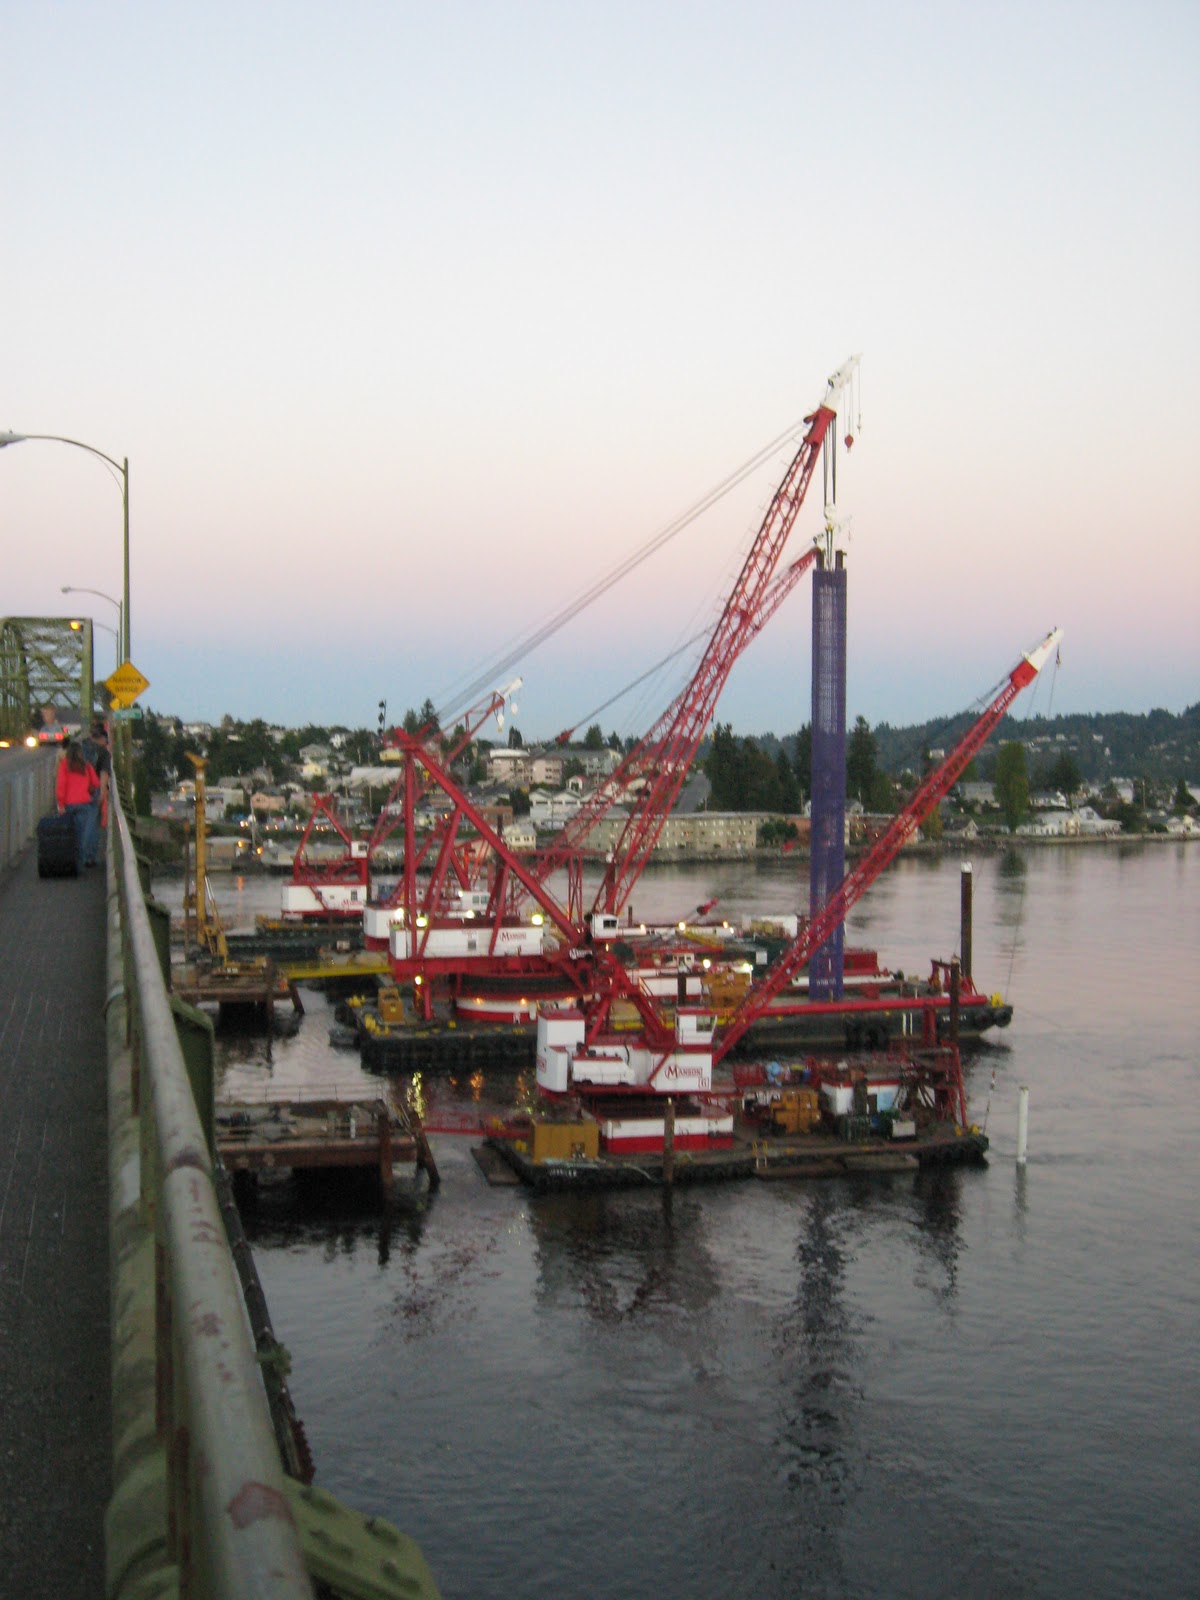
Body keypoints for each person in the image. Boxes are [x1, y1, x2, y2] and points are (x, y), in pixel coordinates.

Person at [56, 742, 100, 870]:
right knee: (89, 830)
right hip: (84, 803)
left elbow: (61, 785)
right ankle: (88, 858)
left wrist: (61, 804)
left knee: (75, 831)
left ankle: (75, 857)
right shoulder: (86, 766)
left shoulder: (64, 765)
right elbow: (96, 783)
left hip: (69, 805)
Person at [81, 720, 112, 860]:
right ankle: (89, 856)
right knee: (92, 824)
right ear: (101, 738)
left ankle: (76, 853)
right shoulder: (104, 753)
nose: (106, 743)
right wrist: (103, 793)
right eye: (106, 740)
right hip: (93, 790)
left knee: (79, 822)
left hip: (76, 791)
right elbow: (104, 774)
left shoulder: (80, 748)